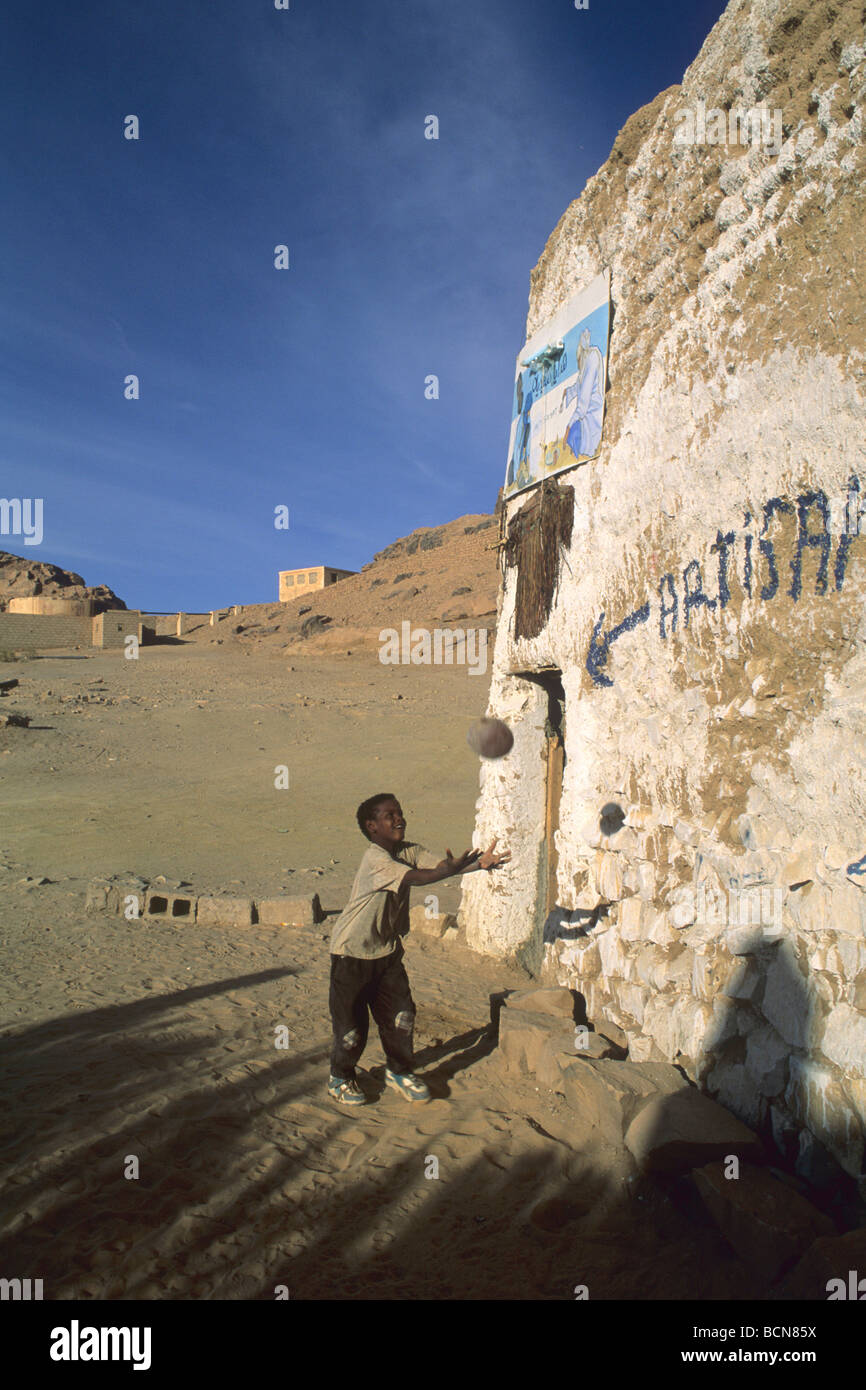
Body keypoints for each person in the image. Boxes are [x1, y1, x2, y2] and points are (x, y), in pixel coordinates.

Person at [327, 793, 510, 1106]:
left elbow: (437, 865)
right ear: (372, 827)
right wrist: (451, 869)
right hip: (352, 955)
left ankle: (399, 1071)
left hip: (386, 952)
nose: (399, 819)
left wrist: (478, 865)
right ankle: (340, 1077)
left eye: (399, 813)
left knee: (402, 1016)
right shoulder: (376, 860)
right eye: (389, 816)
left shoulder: (407, 850)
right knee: (351, 1030)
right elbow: (422, 877)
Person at [560, 329, 604, 459]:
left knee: (573, 435)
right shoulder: (586, 364)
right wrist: (567, 392)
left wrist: (569, 426)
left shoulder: (591, 359)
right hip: (586, 413)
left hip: (592, 416)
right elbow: (578, 386)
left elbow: (584, 401)